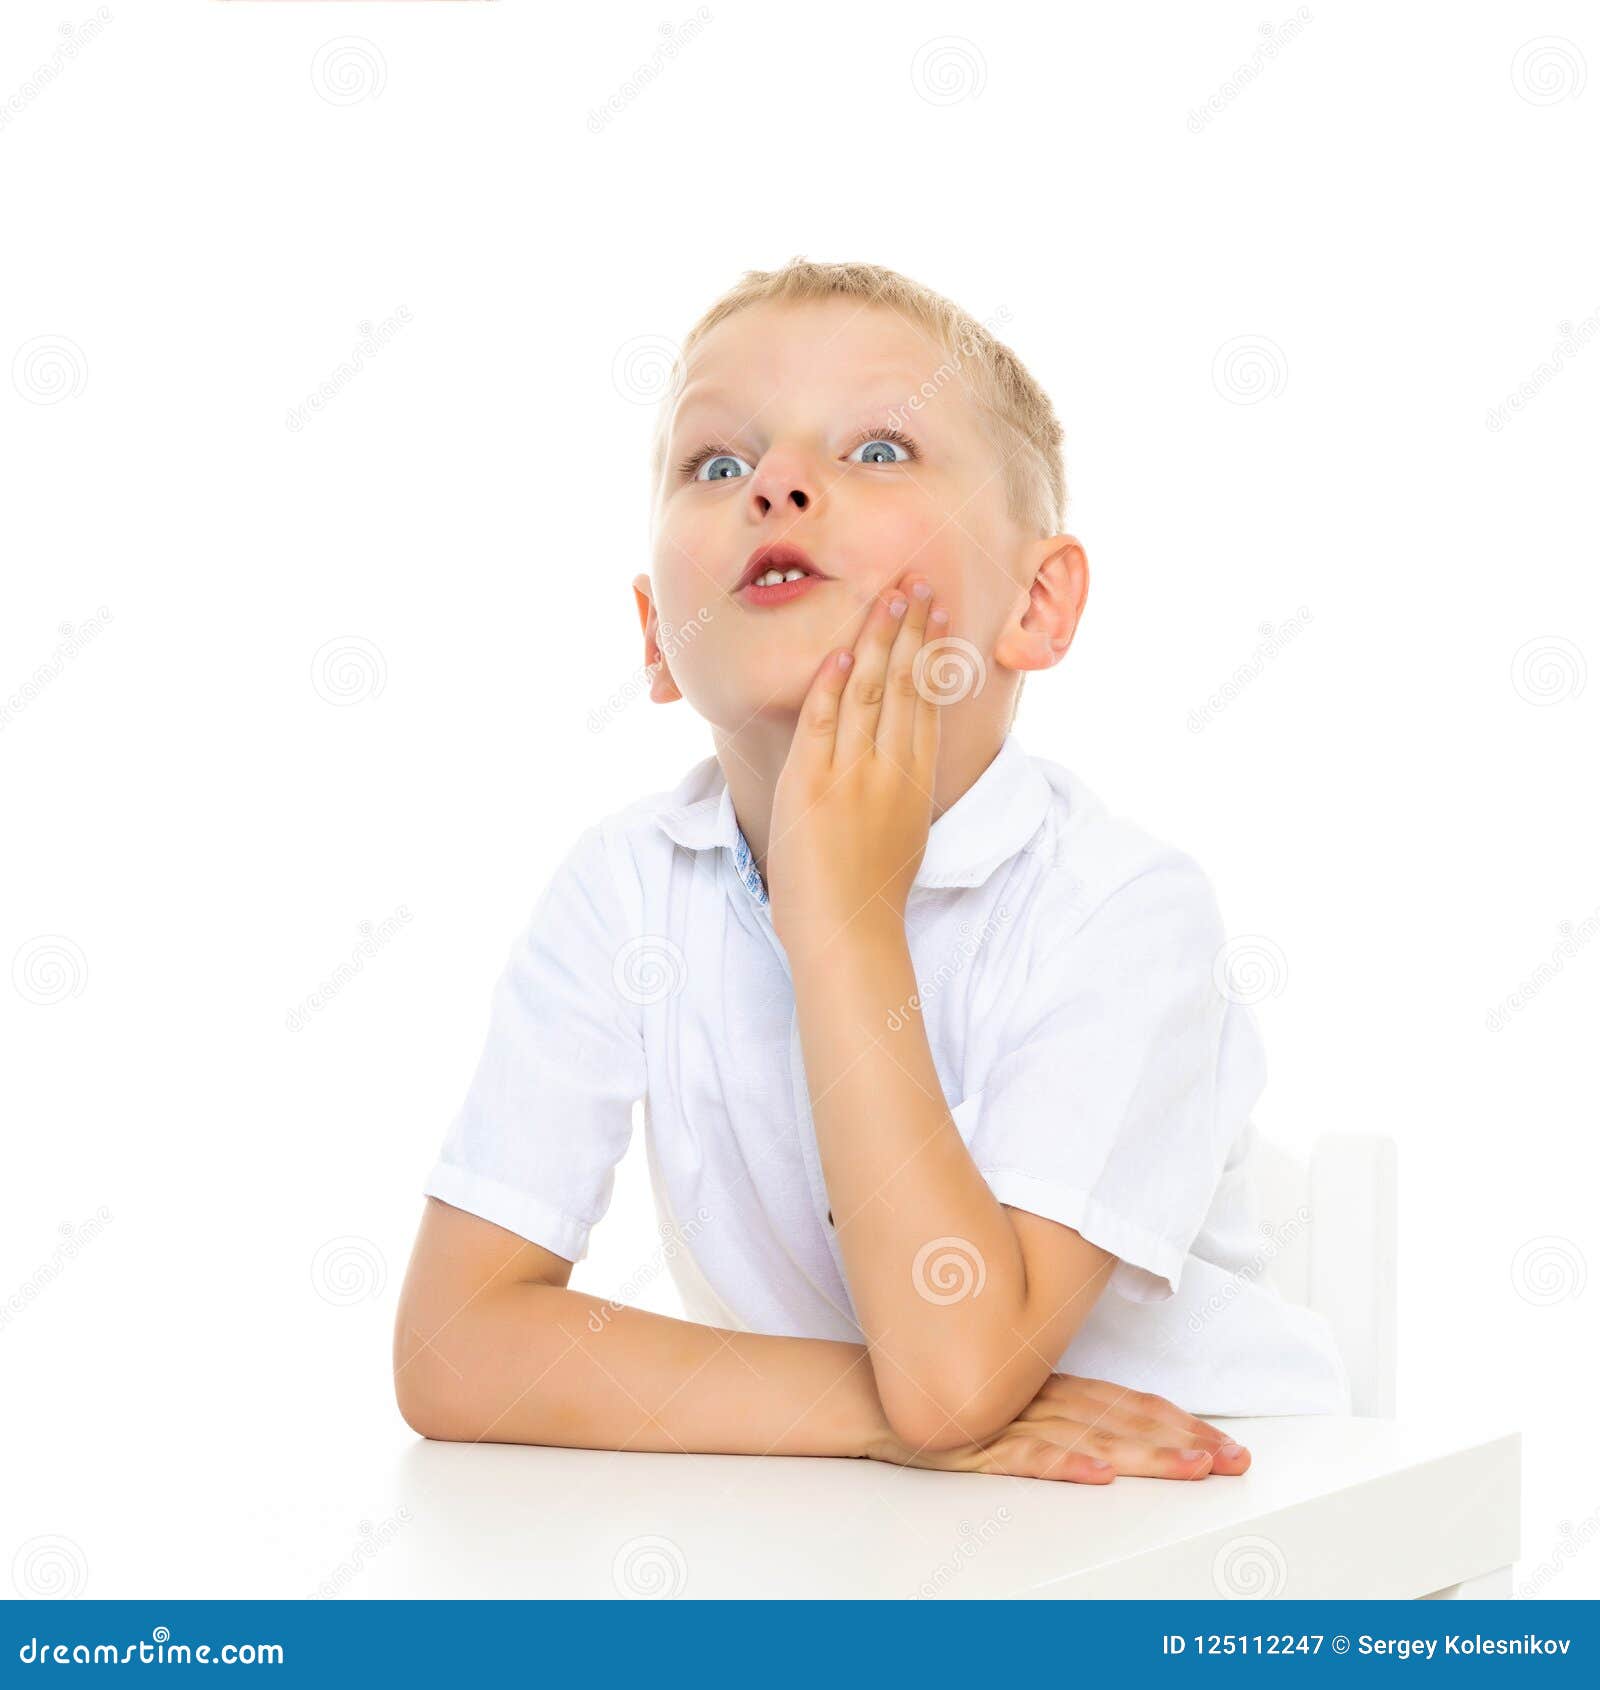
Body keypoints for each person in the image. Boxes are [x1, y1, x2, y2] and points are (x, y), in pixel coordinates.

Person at [393, 259, 1350, 1485]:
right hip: (882, 1510)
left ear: (1039, 604)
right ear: (655, 640)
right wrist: (869, 1410)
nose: (779, 485)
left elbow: (953, 1374)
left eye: (881, 450)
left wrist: (837, 916)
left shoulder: (1121, 906)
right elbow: (453, 1344)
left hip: (1215, 1504)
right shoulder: (621, 887)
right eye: (717, 464)